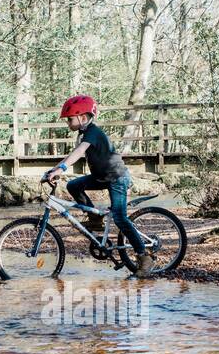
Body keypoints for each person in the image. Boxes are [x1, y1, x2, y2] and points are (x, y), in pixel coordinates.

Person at [41, 95, 154, 276]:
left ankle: (144, 257)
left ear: (83, 118)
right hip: (101, 177)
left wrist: (61, 169)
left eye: (70, 119)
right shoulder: (84, 133)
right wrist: (53, 170)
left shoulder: (93, 132)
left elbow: (78, 152)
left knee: (120, 218)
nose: (68, 123)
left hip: (116, 178)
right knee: (73, 186)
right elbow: (73, 153)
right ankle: (95, 220)